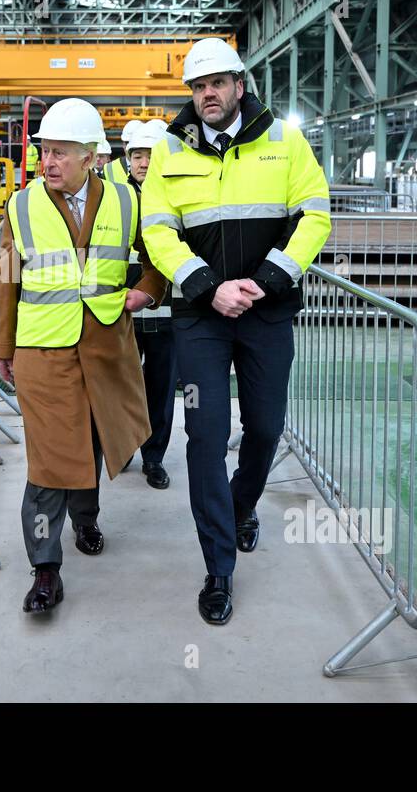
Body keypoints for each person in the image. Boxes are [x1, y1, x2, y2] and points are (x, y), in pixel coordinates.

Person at [141, 37, 331, 626]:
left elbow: (315, 212)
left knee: (266, 427)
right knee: (203, 435)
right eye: (198, 87)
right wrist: (206, 286)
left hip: (267, 312)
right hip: (201, 318)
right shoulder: (171, 149)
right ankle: (218, 566)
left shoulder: (284, 141)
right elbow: (157, 229)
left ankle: (242, 503)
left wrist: (269, 279)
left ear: (239, 86)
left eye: (217, 84)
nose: (208, 95)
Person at [0, 98, 168, 614]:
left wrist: (149, 290)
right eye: (45, 151)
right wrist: (1, 346)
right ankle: (45, 569)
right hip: (42, 350)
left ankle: (86, 518)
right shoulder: (21, 207)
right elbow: (6, 279)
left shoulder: (126, 201)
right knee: (48, 459)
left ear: (91, 157)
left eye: (61, 153)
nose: (48, 162)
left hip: (106, 345)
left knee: (92, 438)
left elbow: (156, 257)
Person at [121, 121, 176, 490]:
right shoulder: (115, 198)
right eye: (137, 155)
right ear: (128, 160)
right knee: (122, 385)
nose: (143, 162)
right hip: (122, 309)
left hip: (167, 309)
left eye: (150, 155)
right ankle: (122, 443)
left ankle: (153, 458)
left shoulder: (177, 196)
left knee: (161, 387)